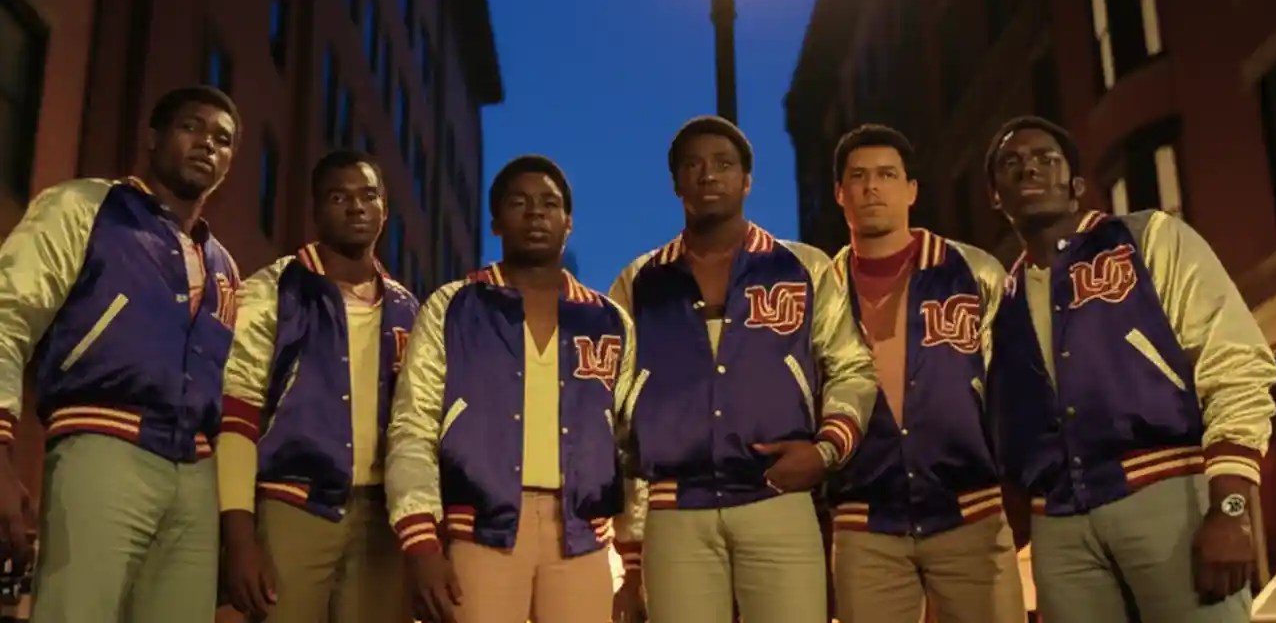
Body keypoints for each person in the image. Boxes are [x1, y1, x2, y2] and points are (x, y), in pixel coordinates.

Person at [985, 115, 1276, 623]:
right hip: (1059, 523)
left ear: (1076, 185)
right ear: (996, 197)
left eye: (1045, 159)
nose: (1028, 169)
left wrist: (1232, 510)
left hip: (1167, 493)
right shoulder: (1001, 304)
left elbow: (1235, 363)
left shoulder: (1149, 238)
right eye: (1011, 163)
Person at [609, 116, 880, 623]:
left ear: (747, 180)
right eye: (693, 165)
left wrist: (825, 450)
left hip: (776, 495)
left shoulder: (802, 267)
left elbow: (852, 368)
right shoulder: (639, 281)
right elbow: (612, 406)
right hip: (674, 508)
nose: (708, 174)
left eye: (723, 163)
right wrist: (631, 544)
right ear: (676, 183)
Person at [0, 85, 243, 621]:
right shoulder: (87, 206)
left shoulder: (224, 266)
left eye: (223, 139)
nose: (208, 143)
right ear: (153, 138)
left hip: (196, 473)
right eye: (191, 127)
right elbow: (8, 314)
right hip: (103, 441)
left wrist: (232, 522)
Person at [386, 155, 633, 623]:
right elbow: (413, 425)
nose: (536, 213)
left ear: (569, 222)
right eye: (519, 203)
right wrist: (420, 540)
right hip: (481, 529)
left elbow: (629, 443)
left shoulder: (608, 321)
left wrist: (633, 554)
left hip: (582, 535)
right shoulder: (453, 307)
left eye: (549, 204)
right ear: (496, 222)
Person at [824, 124, 1025, 622]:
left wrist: (1018, 484)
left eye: (887, 174)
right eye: (859, 176)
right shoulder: (821, 289)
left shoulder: (972, 271)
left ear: (912, 189)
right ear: (840, 193)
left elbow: (1015, 386)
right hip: (865, 520)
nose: (872, 187)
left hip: (971, 509)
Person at [216, 150, 419, 622]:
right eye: (339, 197)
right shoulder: (275, 289)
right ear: (316, 209)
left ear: (385, 207)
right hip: (293, 502)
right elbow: (237, 413)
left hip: (379, 519)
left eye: (368, 195)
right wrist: (239, 536)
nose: (356, 207)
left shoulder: (408, 309)